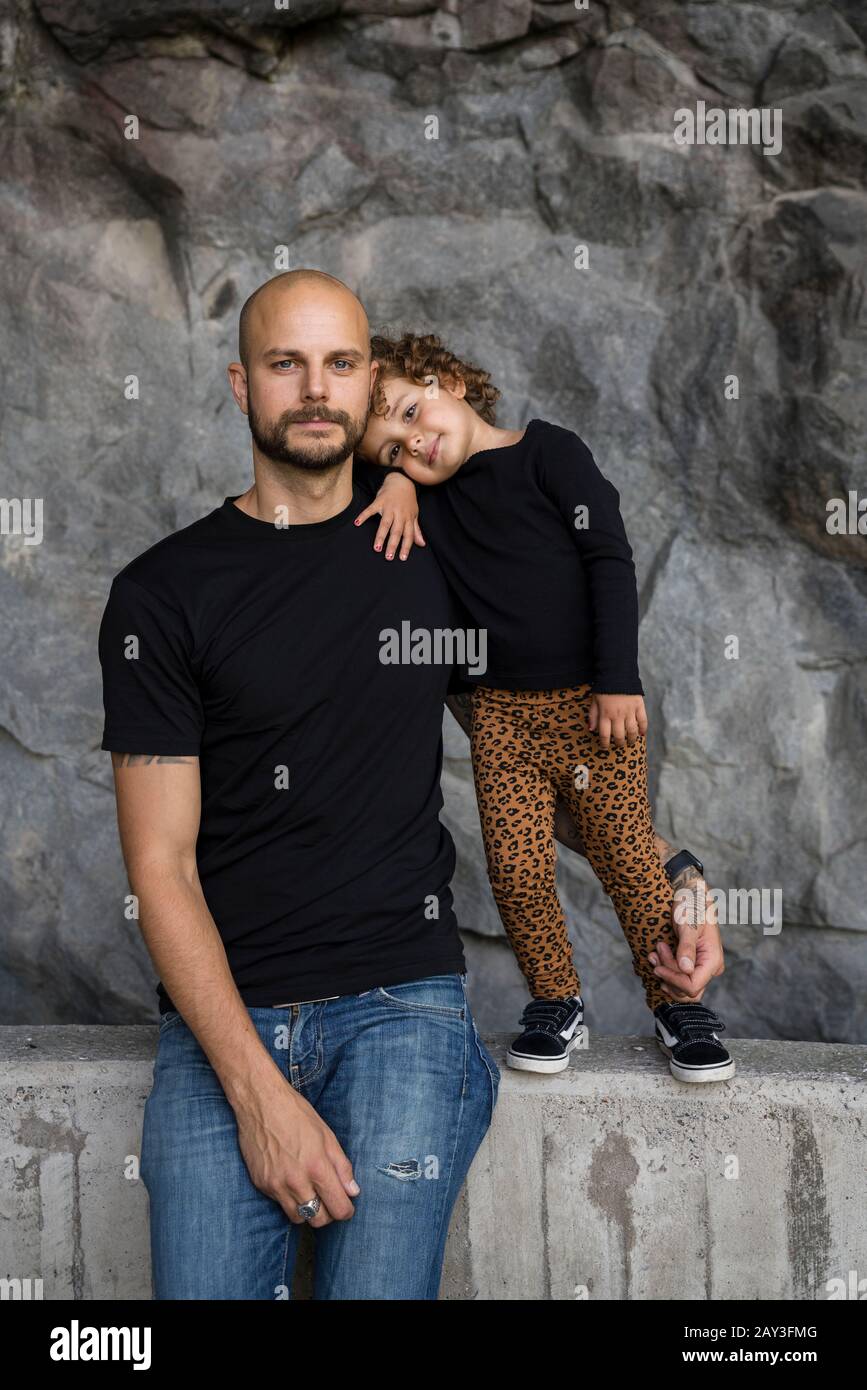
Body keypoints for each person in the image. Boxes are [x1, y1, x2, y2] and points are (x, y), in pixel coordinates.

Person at [98, 270, 725, 1301]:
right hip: (224, 1021)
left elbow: (540, 764)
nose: (314, 388)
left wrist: (683, 885)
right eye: (284, 363)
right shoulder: (162, 593)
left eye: (341, 364)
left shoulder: (427, 565)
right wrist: (258, 1097)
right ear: (237, 383)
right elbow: (158, 865)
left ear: (372, 380)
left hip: (405, 1007)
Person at [355, 331, 734, 1084]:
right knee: (516, 868)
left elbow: (608, 559)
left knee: (627, 859)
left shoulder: (546, 452)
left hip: (591, 708)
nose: (412, 443)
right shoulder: (418, 496)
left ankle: (676, 1006)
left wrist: (617, 678)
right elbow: (358, 497)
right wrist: (394, 482)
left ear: (451, 380)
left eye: (408, 410)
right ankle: (556, 1001)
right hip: (498, 717)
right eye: (392, 448)